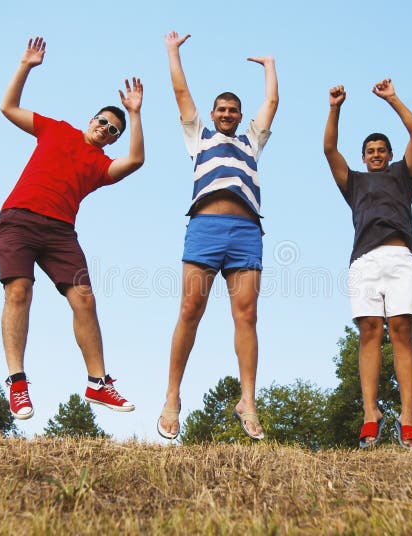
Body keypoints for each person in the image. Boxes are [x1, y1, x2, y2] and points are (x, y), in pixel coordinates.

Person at [0, 36, 145, 420]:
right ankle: (17, 383)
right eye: (103, 121)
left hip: (61, 233)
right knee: (19, 292)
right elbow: (7, 107)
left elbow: (137, 161)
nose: (106, 129)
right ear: (91, 119)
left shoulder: (101, 167)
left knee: (85, 300)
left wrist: (136, 113)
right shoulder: (56, 129)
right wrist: (26, 66)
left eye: (114, 129)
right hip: (19, 219)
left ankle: (98, 384)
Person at [157, 31, 278, 441]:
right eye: (222, 108)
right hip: (205, 228)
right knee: (191, 309)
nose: (227, 113)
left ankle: (248, 399)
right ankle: (172, 396)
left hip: (246, 231)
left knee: (247, 316)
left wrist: (270, 67)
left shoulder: (251, 143)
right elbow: (179, 92)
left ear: (241, 117)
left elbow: (272, 104)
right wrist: (173, 51)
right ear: (212, 114)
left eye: (233, 109)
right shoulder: (200, 138)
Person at [323, 79, 412, 449]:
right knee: (369, 331)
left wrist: (392, 98)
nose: (377, 154)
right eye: (371, 150)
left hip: (399, 259)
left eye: (382, 150)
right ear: (364, 156)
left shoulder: (402, 175)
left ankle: (408, 417)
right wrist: (335, 107)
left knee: (400, 330)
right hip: (364, 261)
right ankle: (371, 413)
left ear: (389, 154)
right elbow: (329, 149)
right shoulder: (355, 182)